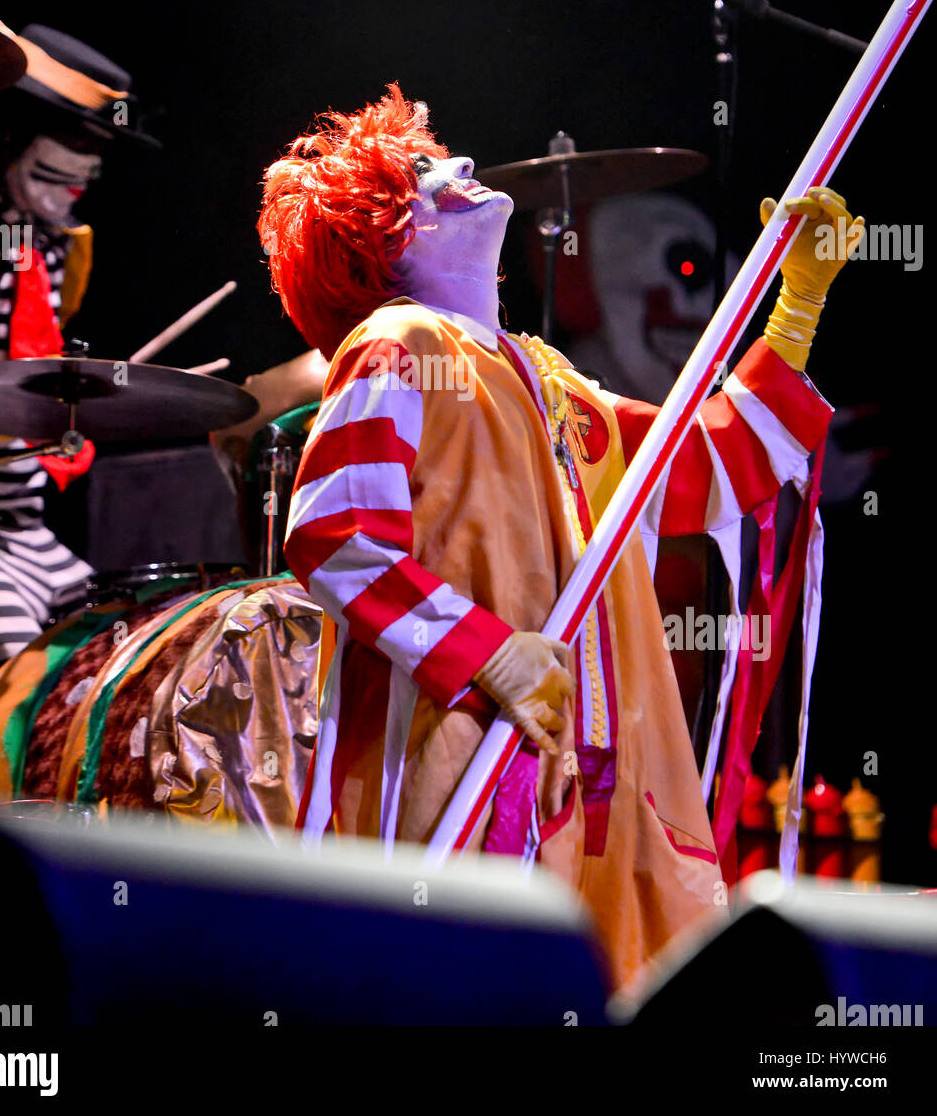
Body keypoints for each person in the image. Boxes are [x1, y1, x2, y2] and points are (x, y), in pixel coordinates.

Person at [258, 84, 860, 989]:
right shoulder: (398, 341)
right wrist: (486, 654)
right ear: (380, 234)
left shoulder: (547, 380)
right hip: (474, 753)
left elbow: (708, 469)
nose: (458, 165)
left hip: (597, 775)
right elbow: (337, 531)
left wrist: (799, 306)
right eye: (422, 170)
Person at [0, 14, 159, 673]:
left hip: (26, 525)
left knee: (119, 655)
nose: (91, 162)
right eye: (76, 136)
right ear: (12, 129)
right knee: (27, 674)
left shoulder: (44, 242)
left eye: (101, 142)